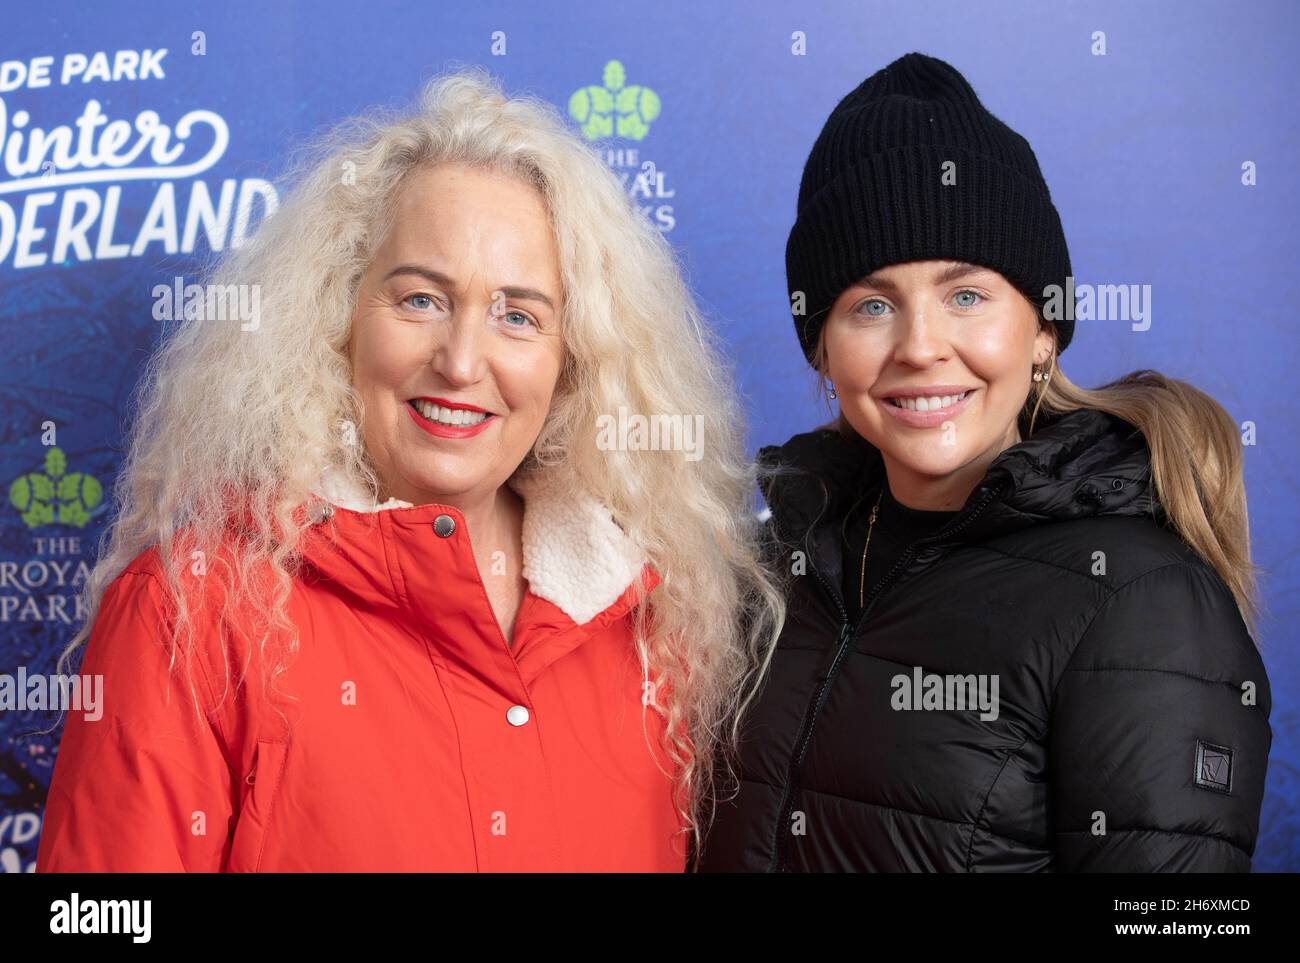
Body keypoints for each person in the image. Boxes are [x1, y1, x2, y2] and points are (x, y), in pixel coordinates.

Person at [35, 68, 783, 872]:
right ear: (337, 318)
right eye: (421, 299)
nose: (462, 362)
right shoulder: (193, 612)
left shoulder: (648, 628)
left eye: (518, 315)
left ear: (573, 361)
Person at [698, 52, 1271, 872]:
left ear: (1042, 330)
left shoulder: (1144, 603)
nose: (922, 346)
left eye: (966, 295)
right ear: (822, 350)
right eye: (871, 305)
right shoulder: (767, 574)